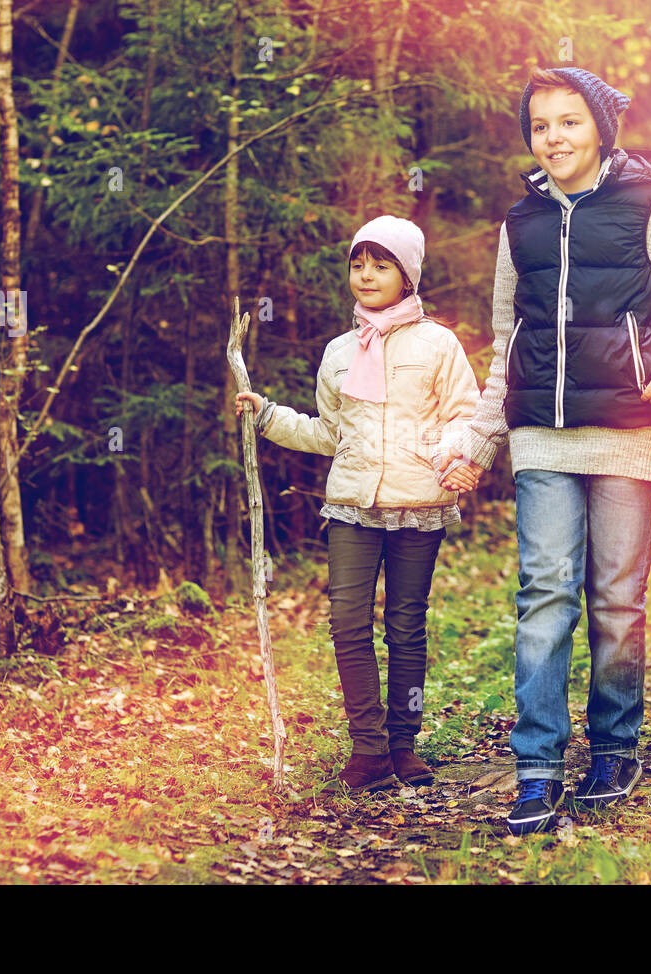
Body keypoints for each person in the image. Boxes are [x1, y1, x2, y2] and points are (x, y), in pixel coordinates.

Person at [435, 67, 651, 834]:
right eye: (541, 126)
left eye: (569, 122)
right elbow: (508, 342)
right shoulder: (521, 224)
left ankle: (614, 747)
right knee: (543, 598)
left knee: (615, 600)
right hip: (540, 434)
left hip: (628, 434)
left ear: (600, 128)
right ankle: (536, 768)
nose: (554, 138)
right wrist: (477, 439)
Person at [235, 215, 482, 792]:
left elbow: (465, 415)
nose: (366, 275)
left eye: (381, 265)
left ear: (408, 275)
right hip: (351, 504)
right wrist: (269, 417)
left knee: (405, 624)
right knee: (347, 623)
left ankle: (404, 745)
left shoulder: (438, 343)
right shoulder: (339, 352)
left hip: (419, 502)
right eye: (358, 264)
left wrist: (448, 458)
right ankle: (368, 749)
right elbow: (329, 433)